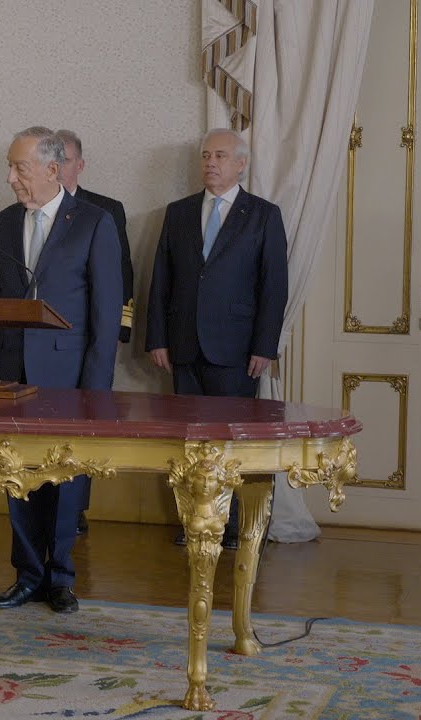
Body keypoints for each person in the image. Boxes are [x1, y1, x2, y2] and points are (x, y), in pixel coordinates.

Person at [0, 127, 121, 614]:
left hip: (70, 379)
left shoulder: (95, 223)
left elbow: (105, 316)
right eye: (11, 166)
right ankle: (26, 575)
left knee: (65, 479)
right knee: (17, 477)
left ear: (52, 170)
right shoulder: (0, 224)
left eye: (20, 167)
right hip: (13, 379)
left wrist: (97, 391)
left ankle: (60, 577)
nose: (11, 177)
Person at [145, 128, 289, 550]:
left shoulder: (263, 215)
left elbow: (274, 286)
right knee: (189, 440)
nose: (211, 162)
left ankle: (233, 526)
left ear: (241, 163)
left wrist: (265, 346)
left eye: (221, 156)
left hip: (238, 350)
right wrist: (158, 338)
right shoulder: (179, 212)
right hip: (184, 346)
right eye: (206, 155)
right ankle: (194, 520)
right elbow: (161, 280)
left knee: (233, 440)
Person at [55, 129, 133, 536]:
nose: (59, 166)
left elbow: (122, 276)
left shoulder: (105, 209)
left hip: (91, 340)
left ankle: (78, 509)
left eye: (65, 159)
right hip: (45, 343)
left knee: (84, 427)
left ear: (79, 165)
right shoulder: (28, 210)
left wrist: (118, 332)